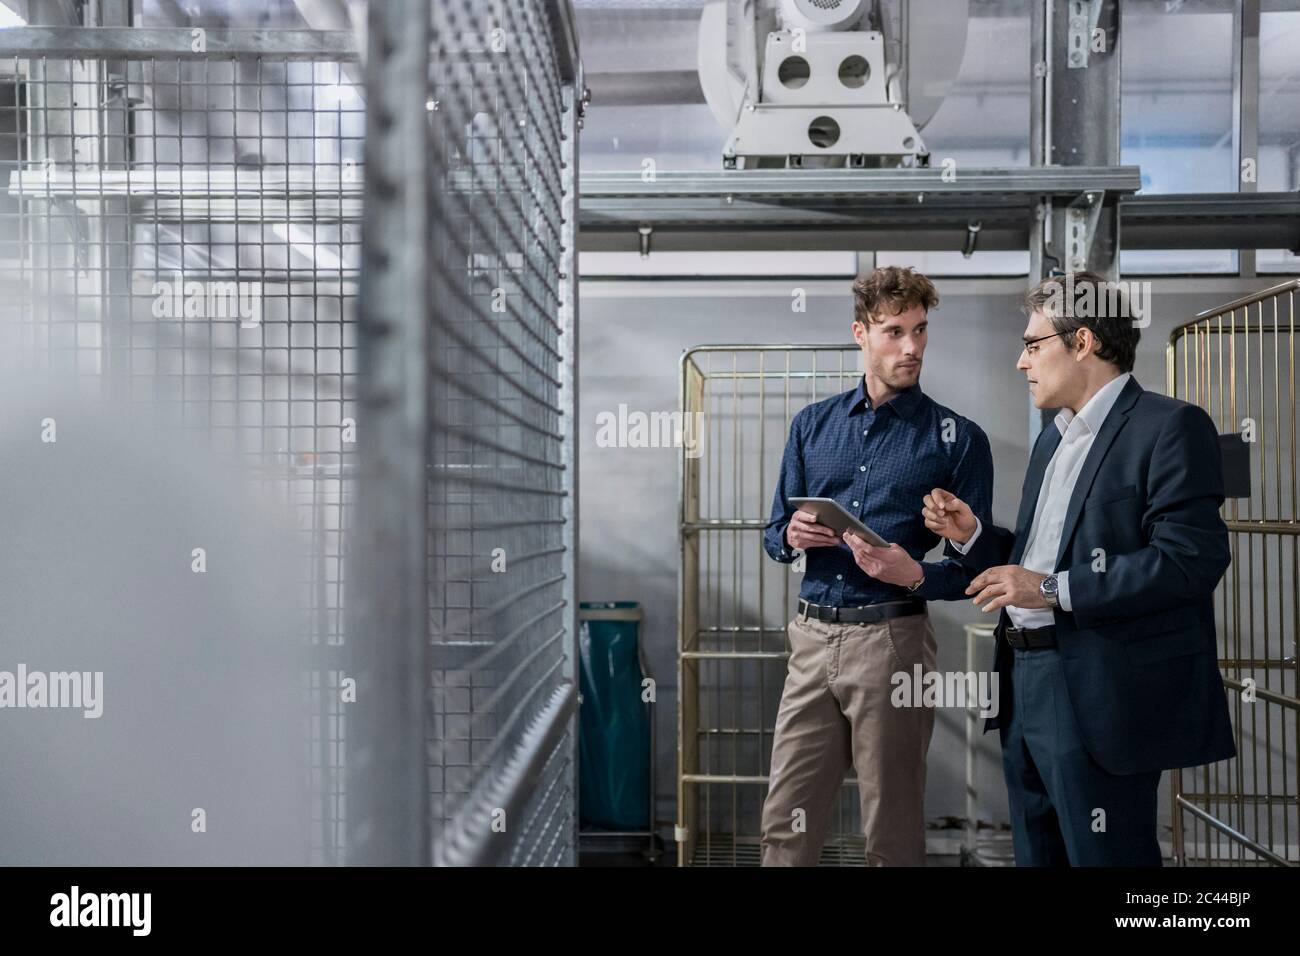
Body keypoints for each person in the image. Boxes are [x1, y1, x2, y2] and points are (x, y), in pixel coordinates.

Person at [922, 271, 1235, 866]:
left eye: (1034, 344)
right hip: (1024, 683)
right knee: (1038, 857)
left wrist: (1050, 589)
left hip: (1100, 688)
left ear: (1083, 341)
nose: (1022, 362)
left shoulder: (1169, 426)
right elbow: (1042, 558)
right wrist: (974, 537)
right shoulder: (1053, 437)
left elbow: (1189, 560)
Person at [760, 266, 993, 866]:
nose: (911, 347)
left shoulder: (958, 440)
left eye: (919, 330)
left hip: (893, 641)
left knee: (890, 829)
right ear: (860, 333)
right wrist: (791, 533)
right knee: (786, 820)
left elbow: (978, 565)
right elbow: (771, 536)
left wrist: (910, 571)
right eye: (894, 331)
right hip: (810, 640)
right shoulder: (812, 425)